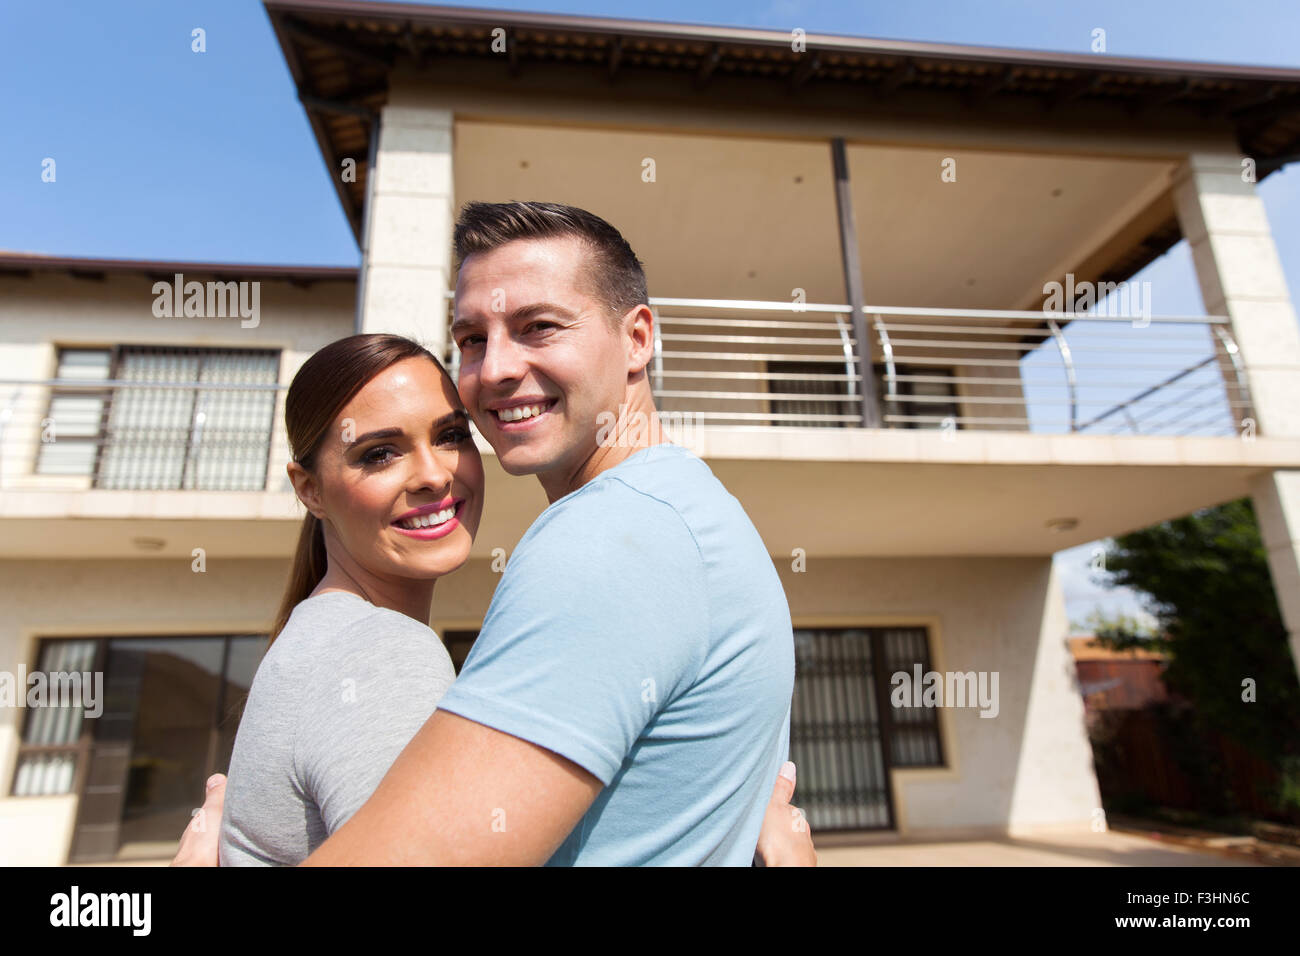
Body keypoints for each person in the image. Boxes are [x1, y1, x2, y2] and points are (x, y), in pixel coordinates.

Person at [176, 200, 811, 866]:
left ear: (638, 339)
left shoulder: (608, 540)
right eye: (473, 339)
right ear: (310, 489)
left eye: (538, 326)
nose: (496, 368)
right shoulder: (686, 512)